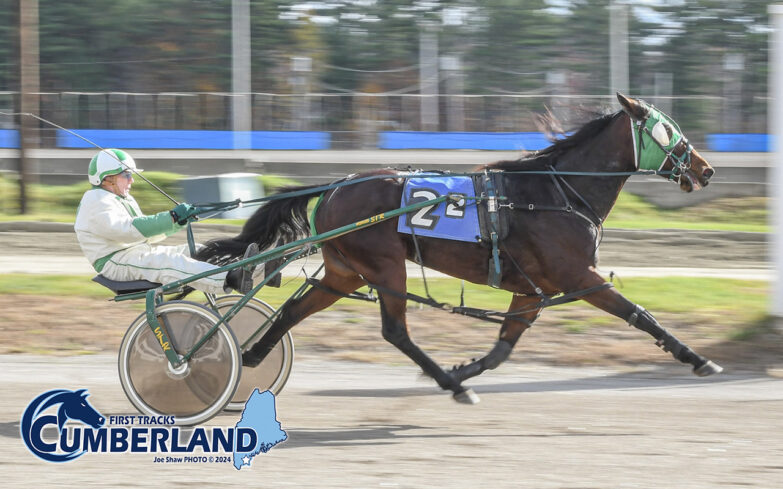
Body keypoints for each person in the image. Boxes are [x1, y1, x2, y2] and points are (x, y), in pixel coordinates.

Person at [75, 148, 259, 295]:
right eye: (126, 175)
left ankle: (259, 271)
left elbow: (144, 236)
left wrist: (176, 223)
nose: (132, 180)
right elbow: (127, 231)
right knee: (170, 261)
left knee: (197, 251)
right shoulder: (96, 200)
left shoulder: (123, 199)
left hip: (136, 253)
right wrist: (171, 217)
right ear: (107, 178)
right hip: (114, 262)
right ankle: (231, 279)